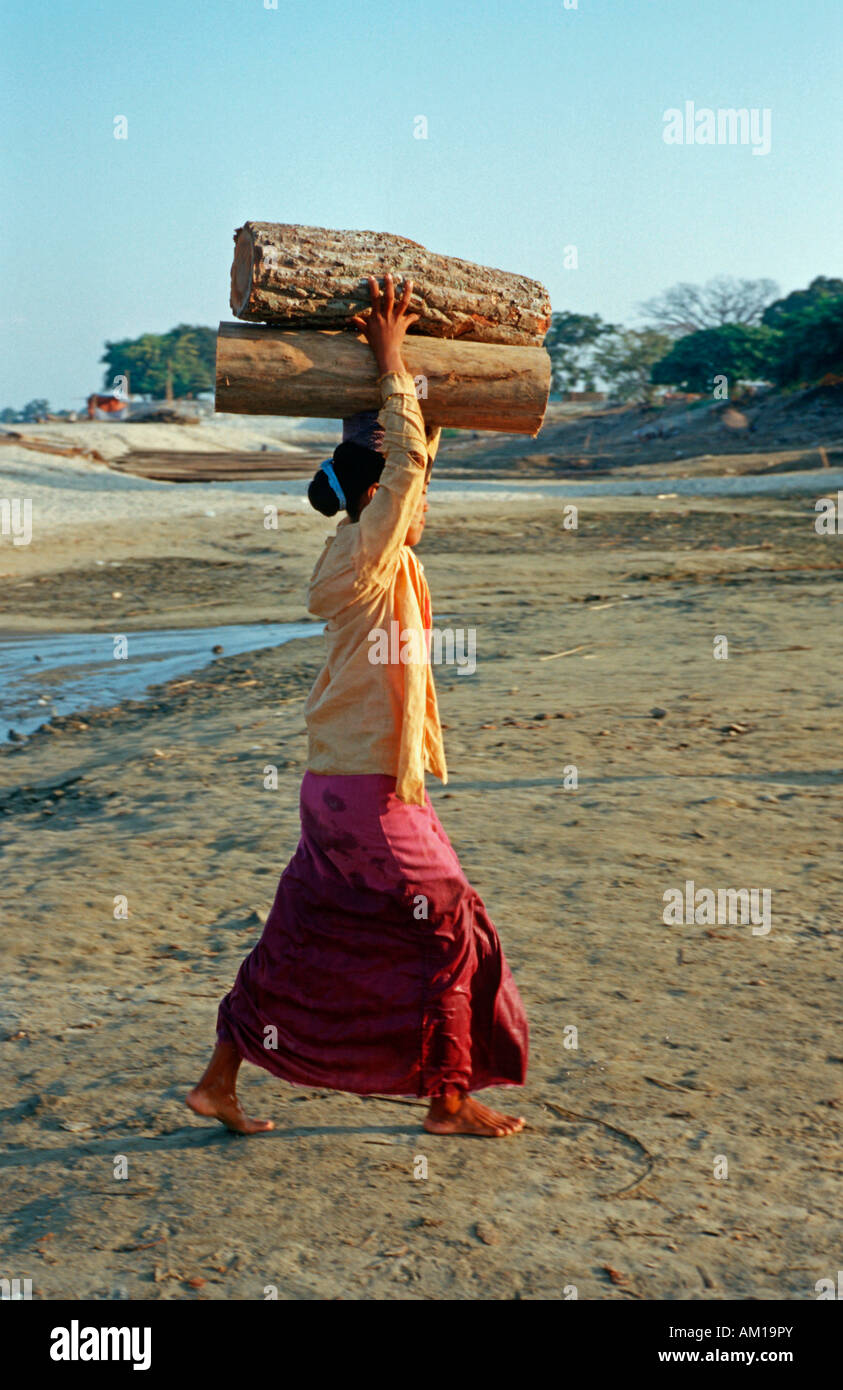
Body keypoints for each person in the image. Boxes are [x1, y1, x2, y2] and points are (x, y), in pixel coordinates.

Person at [187, 272, 528, 1137]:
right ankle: (447, 1099)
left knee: (303, 936)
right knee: (448, 924)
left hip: (337, 787)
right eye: (402, 495)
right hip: (371, 792)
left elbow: (409, 462)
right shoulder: (375, 552)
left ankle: (218, 1080)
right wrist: (386, 358)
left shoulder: (356, 549)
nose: (419, 504)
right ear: (377, 498)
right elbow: (405, 464)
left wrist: (428, 369)